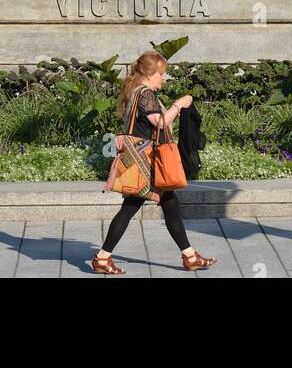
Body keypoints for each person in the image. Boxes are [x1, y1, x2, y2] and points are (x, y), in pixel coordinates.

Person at [92, 50, 217, 275]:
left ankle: (189, 255)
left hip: (142, 160)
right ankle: (102, 257)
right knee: (131, 208)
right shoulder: (146, 93)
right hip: (147, 162)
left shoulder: (135, 91)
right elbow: (159, 122)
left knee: (169, 206)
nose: (164, 78)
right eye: (162, 74)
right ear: (151, 74)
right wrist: (178, 105)